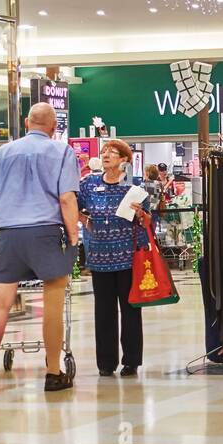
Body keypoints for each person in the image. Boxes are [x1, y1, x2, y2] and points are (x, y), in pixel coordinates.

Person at [0, 102, 81, 394]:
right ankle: (53, 372)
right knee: (54, 302)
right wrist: (73, 236)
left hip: (9, 234)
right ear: (54, 127)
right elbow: (67, 199)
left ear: (25, 122)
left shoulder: (4, 152)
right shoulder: (61, 151)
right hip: (45, 232)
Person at [79, 139, 150, 377]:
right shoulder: (89, 184)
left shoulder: (134, 186)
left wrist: (141, 214)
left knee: (130, 310)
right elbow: (72, 205)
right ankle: (105, 363)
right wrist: (84, 222)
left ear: (124, 160)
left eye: (113, 152)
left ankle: (131, 361)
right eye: (105, 151)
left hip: (128, 258)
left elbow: (148, 221)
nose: (107, 155)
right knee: (103, 311)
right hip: (99, 257)